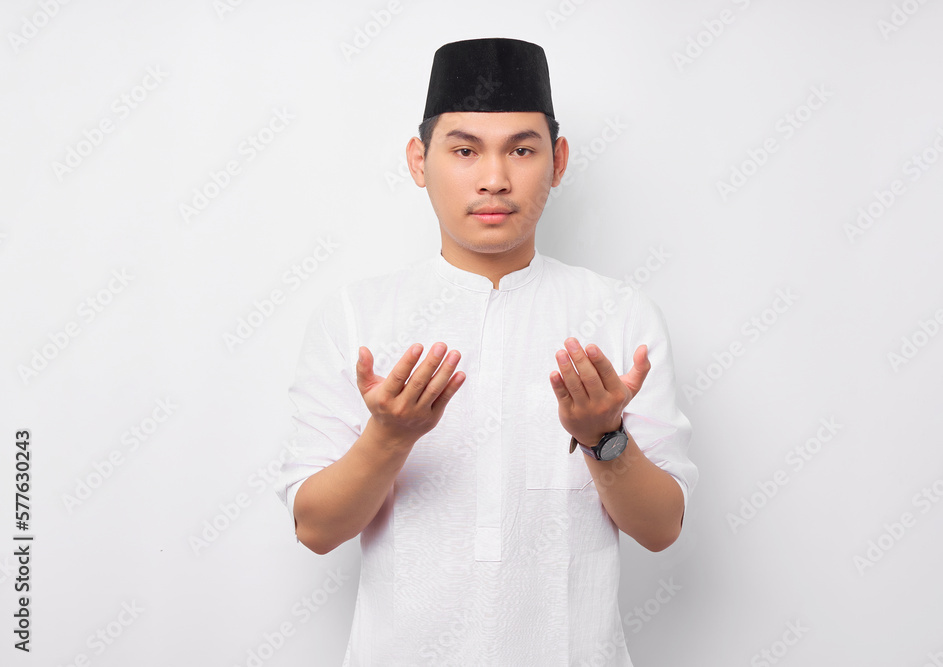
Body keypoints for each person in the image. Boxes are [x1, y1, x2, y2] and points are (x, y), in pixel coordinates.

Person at [274, 37, 697, 666]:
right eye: (465, 150)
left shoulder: (619, 315)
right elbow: (316, 530)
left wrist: (603, 437)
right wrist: (389, 436)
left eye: (521, 150)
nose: (494, 178)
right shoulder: (355, 316)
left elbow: (662, 530)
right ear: (420, 160)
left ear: (557, 159)